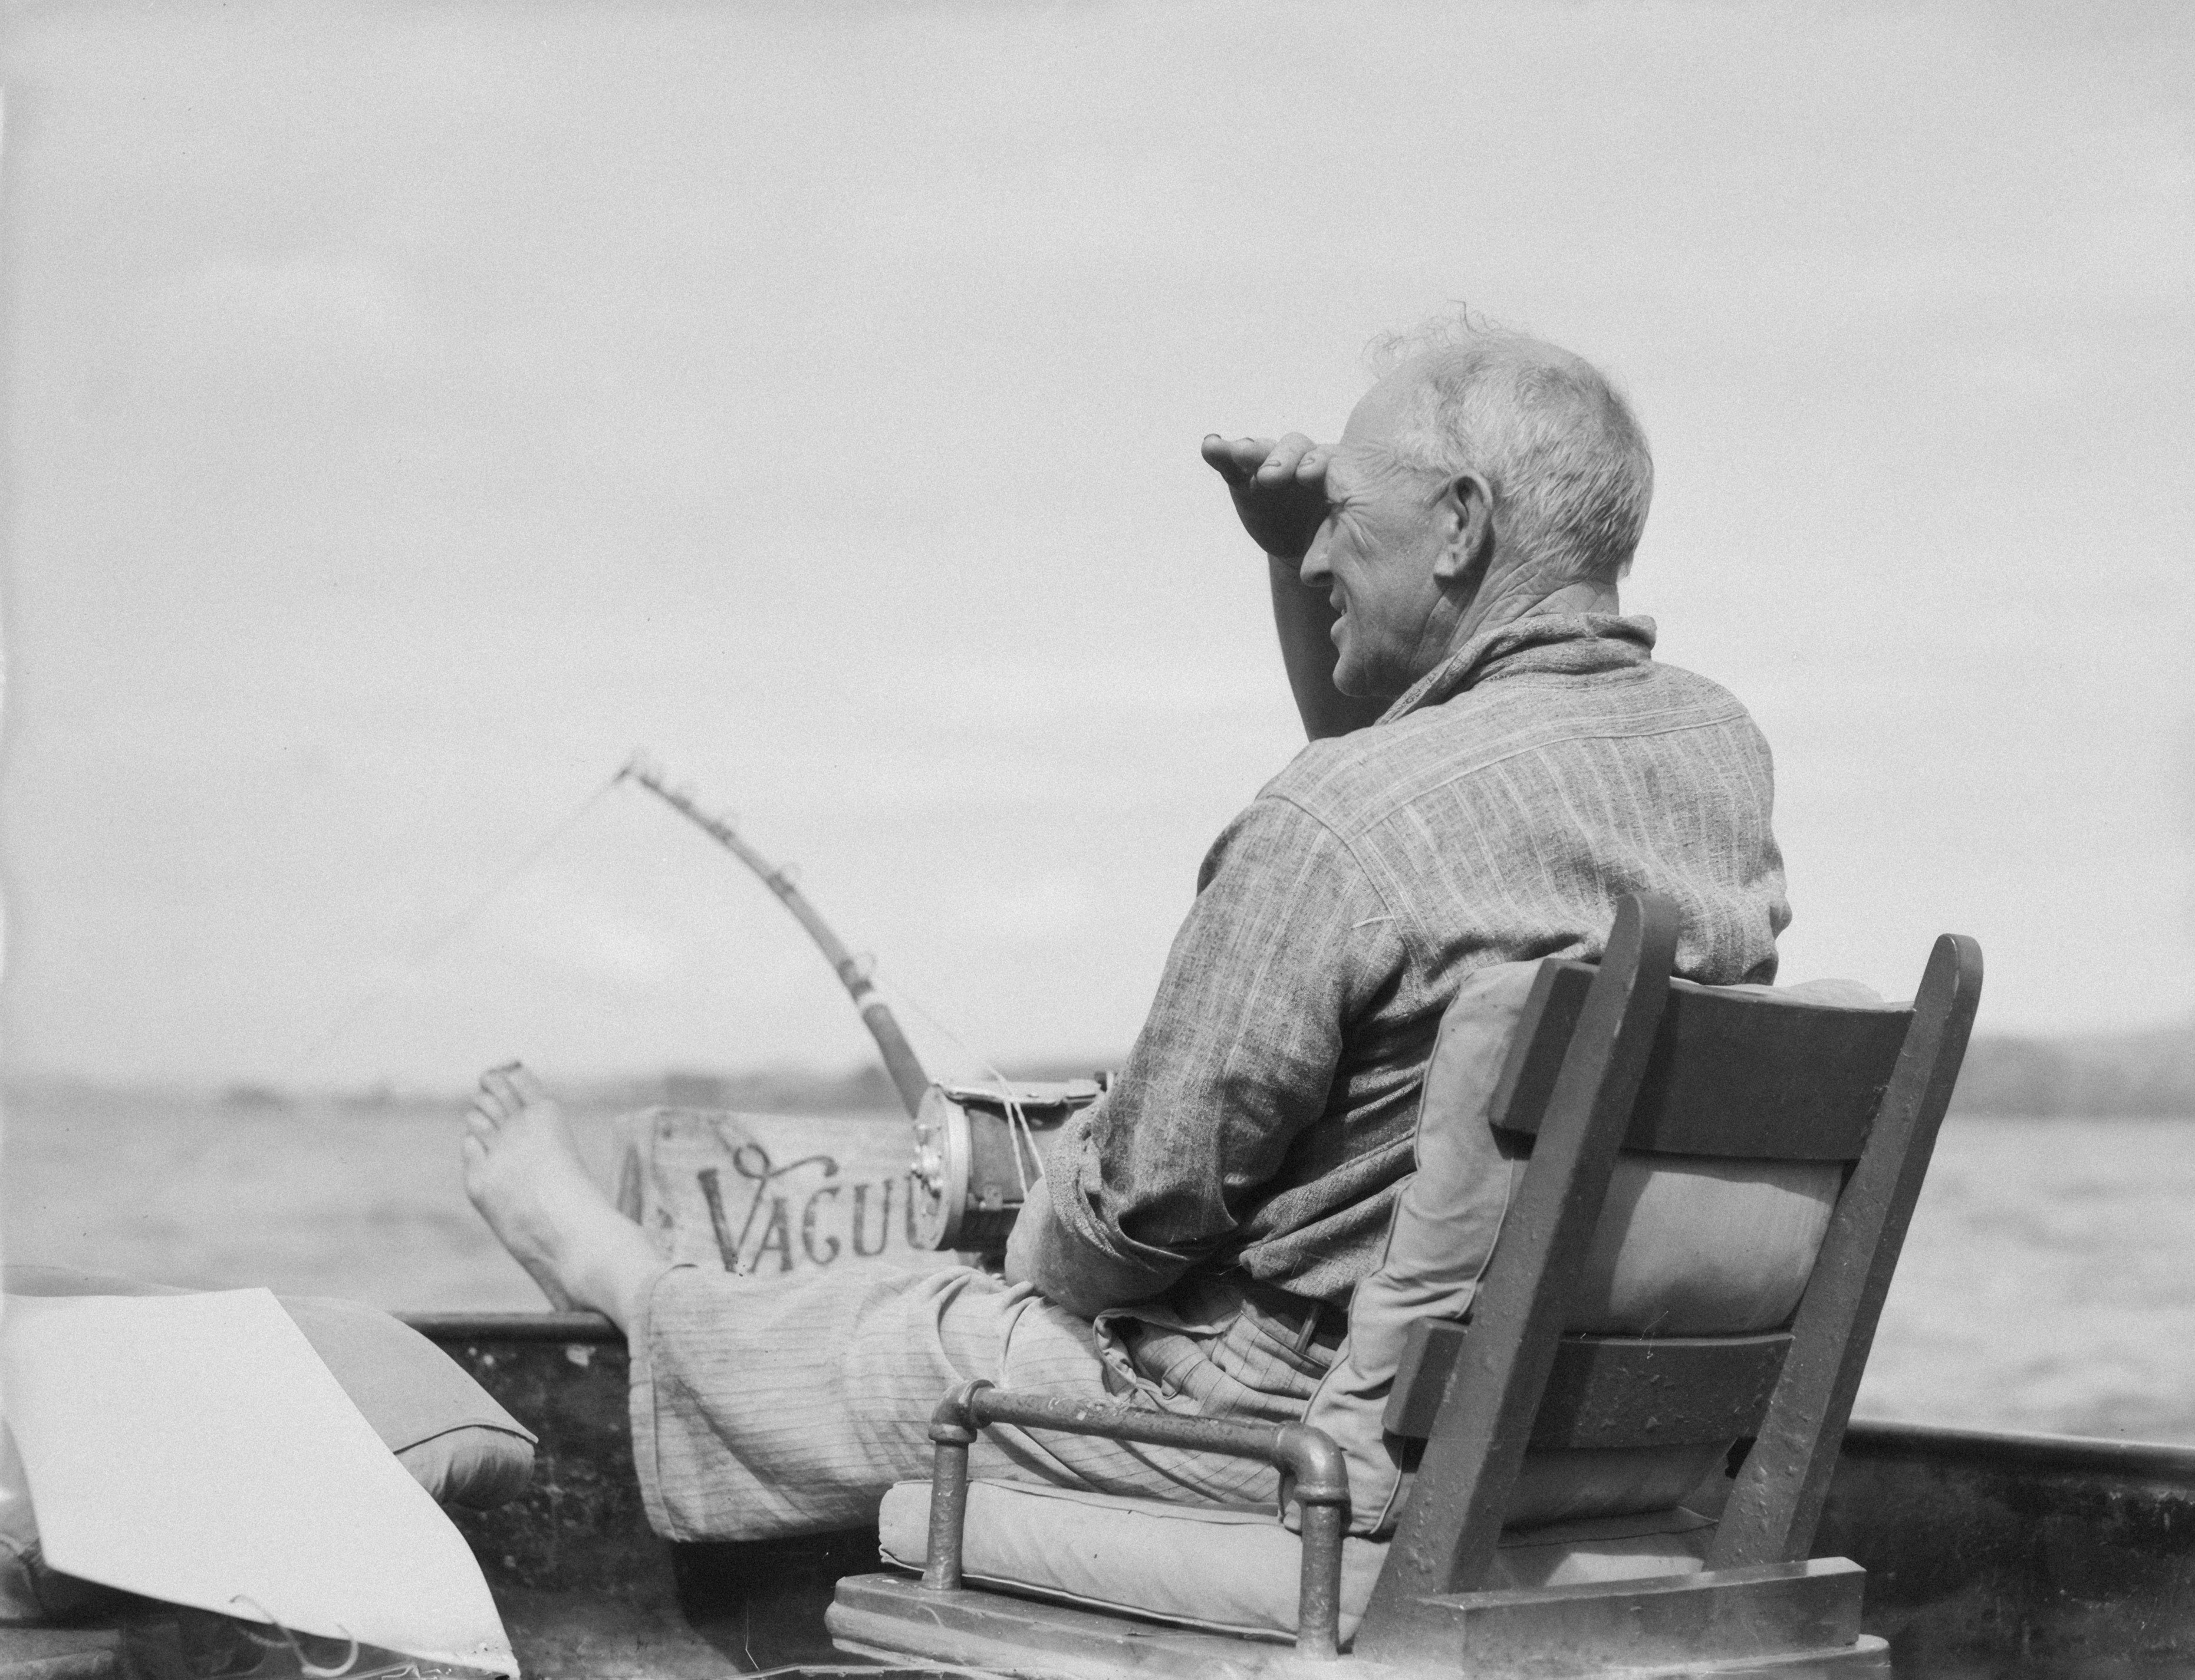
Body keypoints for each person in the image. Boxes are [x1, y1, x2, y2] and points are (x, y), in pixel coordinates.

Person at [462, 313, 1791, 1541]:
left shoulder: (1334, 829)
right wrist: (1288, 561)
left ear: (1457, 525)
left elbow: (1133, 1224)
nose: (1320, 550)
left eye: (1338, 518)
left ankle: (613, 1274)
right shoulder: (1714, 759)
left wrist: (1030, 1234)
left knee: (904, 1330)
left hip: (1297, 1434)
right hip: (1568, 1418)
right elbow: (1430, 807)